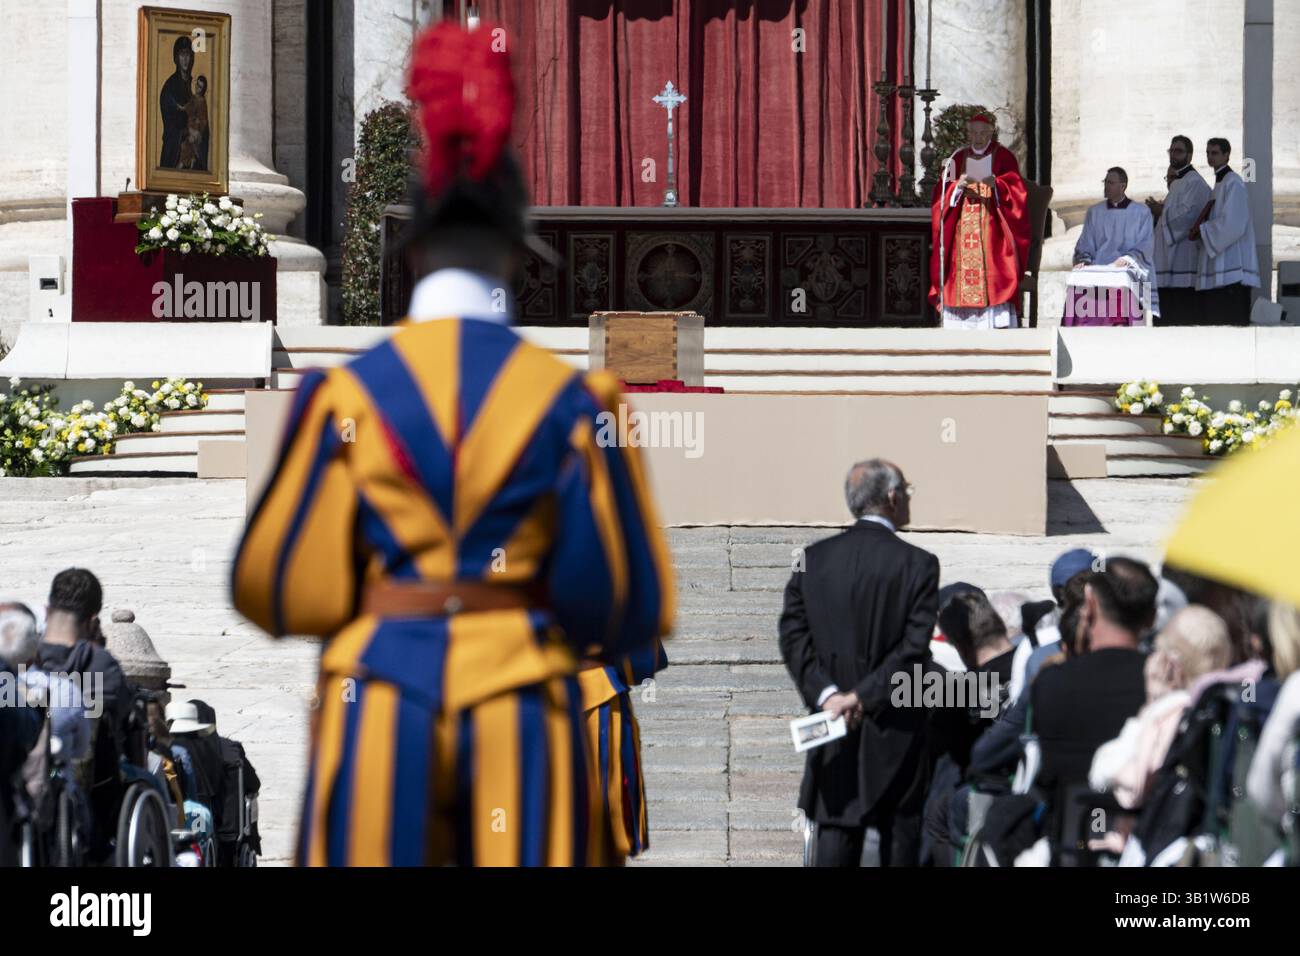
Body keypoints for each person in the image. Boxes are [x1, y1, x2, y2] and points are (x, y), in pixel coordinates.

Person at [231, 20, 673, 867]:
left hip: (383, 702)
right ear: (516, 252)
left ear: (412, 251)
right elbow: (628, 601)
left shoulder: (343, 399)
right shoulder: (577, 406)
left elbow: (276, 586)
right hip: (523, 711)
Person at [778, 459, 939, 866]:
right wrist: (862, 696)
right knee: (898, 839)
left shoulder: (813, 558)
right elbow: (913, 648)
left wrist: (830, 695)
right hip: (895, 726)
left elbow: (793, 636)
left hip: (833, 724)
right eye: (907, 490)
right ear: (891, 497)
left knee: (834, 835)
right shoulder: (918, 564)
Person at [1030, 559, 1156, 845]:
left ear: (1090, 605)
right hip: (1140, 841)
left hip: (1068, 837)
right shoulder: (1164, 691)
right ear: (1152, 617)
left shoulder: (1051, 683)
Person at [1090, 605, 1232, 811]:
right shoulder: (1219, 705)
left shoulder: (1170, 711)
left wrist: (1150, 708)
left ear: (1170, 662)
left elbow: (1102, 774)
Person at [928, 113, 1031, 329]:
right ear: (968, 133)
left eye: (983, 133)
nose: (978, 137)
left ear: (991, 132)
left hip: (992, 224)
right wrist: (958, 186)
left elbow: (1017, 192)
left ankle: (994, 320)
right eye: (973, 132)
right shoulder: (957, 157)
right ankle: (960, 323)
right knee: (956, 259)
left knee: (995, 258)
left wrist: (997, 185)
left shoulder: (1004, 156)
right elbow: (941, 193)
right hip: (961, 223)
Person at [1064, 167, 1159, 326]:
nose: (1106, 186)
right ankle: (1083, 326)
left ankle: (1120, 323)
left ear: (1123, 186)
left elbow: (1146, 244)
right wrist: (1084, 260)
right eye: (1105, 182)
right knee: (1079, 276)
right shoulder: (1095, 212)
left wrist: (1128, 259)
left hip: (1131, 265)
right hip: (1099, 264)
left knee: (1122, 277)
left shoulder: (1141, 212)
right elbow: (1086, 242)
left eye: (1111, 183)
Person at [1190, 138, 1260, 325]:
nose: (1210, 157)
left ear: (1226, 155)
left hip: (1231, 268)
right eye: (1208, 153)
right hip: (1221, 267)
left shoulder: (1233, 183)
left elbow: (1233, 224)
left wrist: (1203, 230)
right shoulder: (1220, 184)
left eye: (1215, 153)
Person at [1148, 135, 1213, 326]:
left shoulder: (1195, 182)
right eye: (1172, 151)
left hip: (1183, 261)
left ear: (1190, 155)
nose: (1174, 155)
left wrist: (1161, 211)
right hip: (1167, 263)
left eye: (1179, 151)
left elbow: (1189, 217)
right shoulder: (1179, 182)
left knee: (1181, 319)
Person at [159, 35, 196, 168]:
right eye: (182, 55)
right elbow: (173, 122)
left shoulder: (191, 84)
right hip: (174, 151)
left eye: (188, 55)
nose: (185, 59)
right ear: (176, 58)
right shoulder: (171, 87)